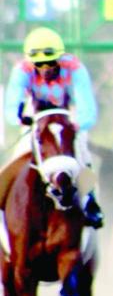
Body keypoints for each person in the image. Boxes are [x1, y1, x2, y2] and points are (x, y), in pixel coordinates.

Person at [5, 26, 104, 227]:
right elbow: (11, 106)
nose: (45, 69)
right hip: (36, 120)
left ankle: (90, 202)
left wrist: (79, 123)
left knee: (83, 153)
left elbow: (87, 107)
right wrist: (20, 118)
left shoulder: (75, 68)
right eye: (39, 64)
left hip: (67, 119)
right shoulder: (21, 71)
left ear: (59, 59)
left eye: (50, 63)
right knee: (18, 156)